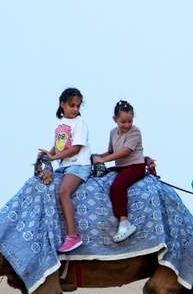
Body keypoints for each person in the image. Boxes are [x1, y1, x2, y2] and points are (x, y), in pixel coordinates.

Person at [44, 88, 92, 254]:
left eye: (78, 106)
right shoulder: (60, 123)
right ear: (62, 104)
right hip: (65, 166)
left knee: (64, 191)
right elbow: (60, 145)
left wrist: (54, 158)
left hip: (79, 164)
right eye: (72, 105)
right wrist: (48, 154)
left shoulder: (80, 123)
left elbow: (76, 149)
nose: (75, 109)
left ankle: (73, 235)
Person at [91, 100, 146, 243]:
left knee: (117, 186)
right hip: (122, 166)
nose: (127, 125)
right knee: (100, 176)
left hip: (135, 166)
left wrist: (104, 160)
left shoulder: (135, 131)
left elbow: (124, 152)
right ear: (115, 119)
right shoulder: (113, 132)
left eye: (130, 121)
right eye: (123, 122)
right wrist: (98, 156)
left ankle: (124, 222)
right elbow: (111, 151)